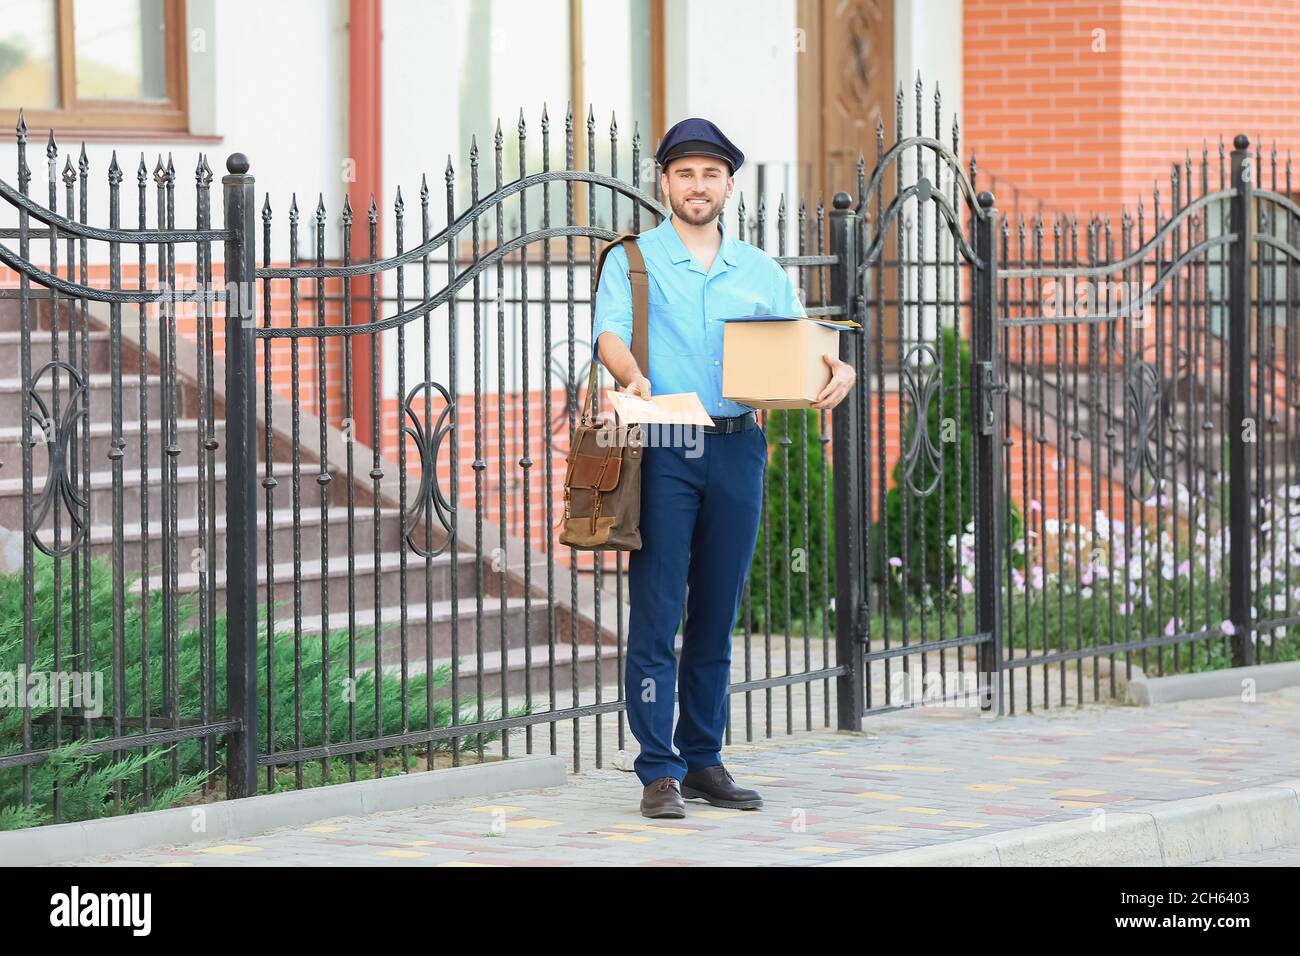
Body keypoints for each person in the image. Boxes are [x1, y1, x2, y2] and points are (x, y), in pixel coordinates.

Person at [592, 117, 856, 818]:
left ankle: (704, 758)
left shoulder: (760, 271)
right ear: (665, 183)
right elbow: (610, 334)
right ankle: (657, 769)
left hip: (739, 447)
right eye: (685, 174)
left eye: (711, 174)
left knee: (716, 613)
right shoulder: (632, 260)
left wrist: (840, 367)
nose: (698, 185)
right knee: (656, 615)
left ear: (729, 185)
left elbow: (809, 343)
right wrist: (631, 374)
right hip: (666, 442)